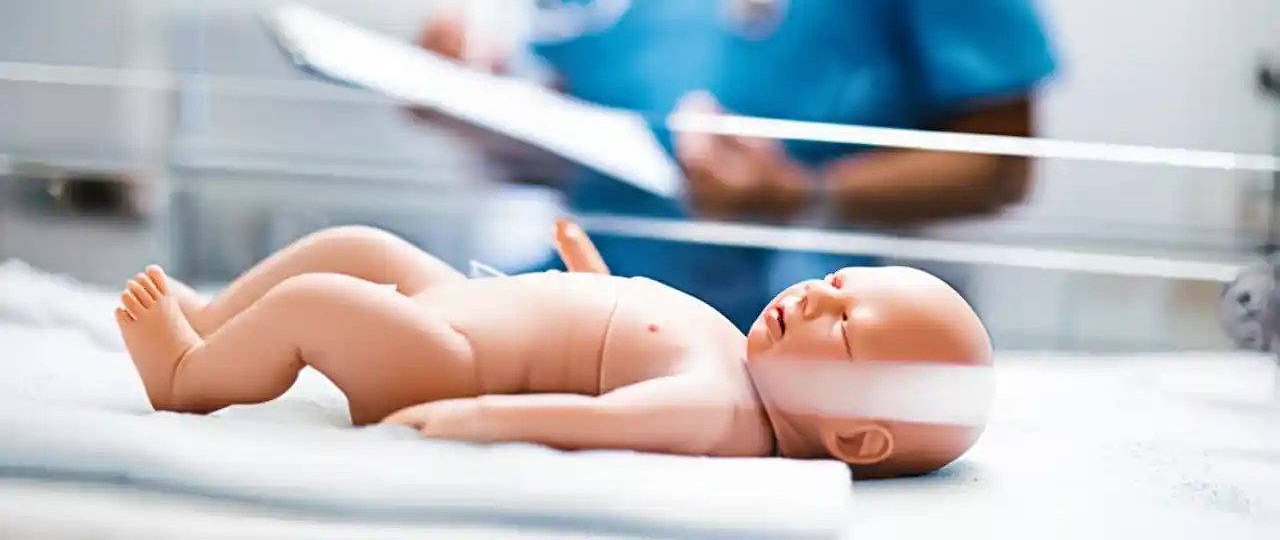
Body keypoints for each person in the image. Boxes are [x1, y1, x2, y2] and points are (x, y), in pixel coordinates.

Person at [415, 0, 1058, 330]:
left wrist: (805, 195)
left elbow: (999, 160)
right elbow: (576, 89)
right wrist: (482, 94)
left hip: (806, 329)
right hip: (592, 296)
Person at [112, 221, 993, 478]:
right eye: (835, 280)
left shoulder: (722, 408)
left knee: (323, 301)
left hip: (452, 361)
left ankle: (188, 376)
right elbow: (616, 337)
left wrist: (477, 416)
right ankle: (216, 317)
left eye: (844, 326)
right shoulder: (739, 355)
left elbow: (600, 418)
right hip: (465, 305)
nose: (813, 297)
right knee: (364, 247)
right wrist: (592, 277)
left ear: (854, 436)